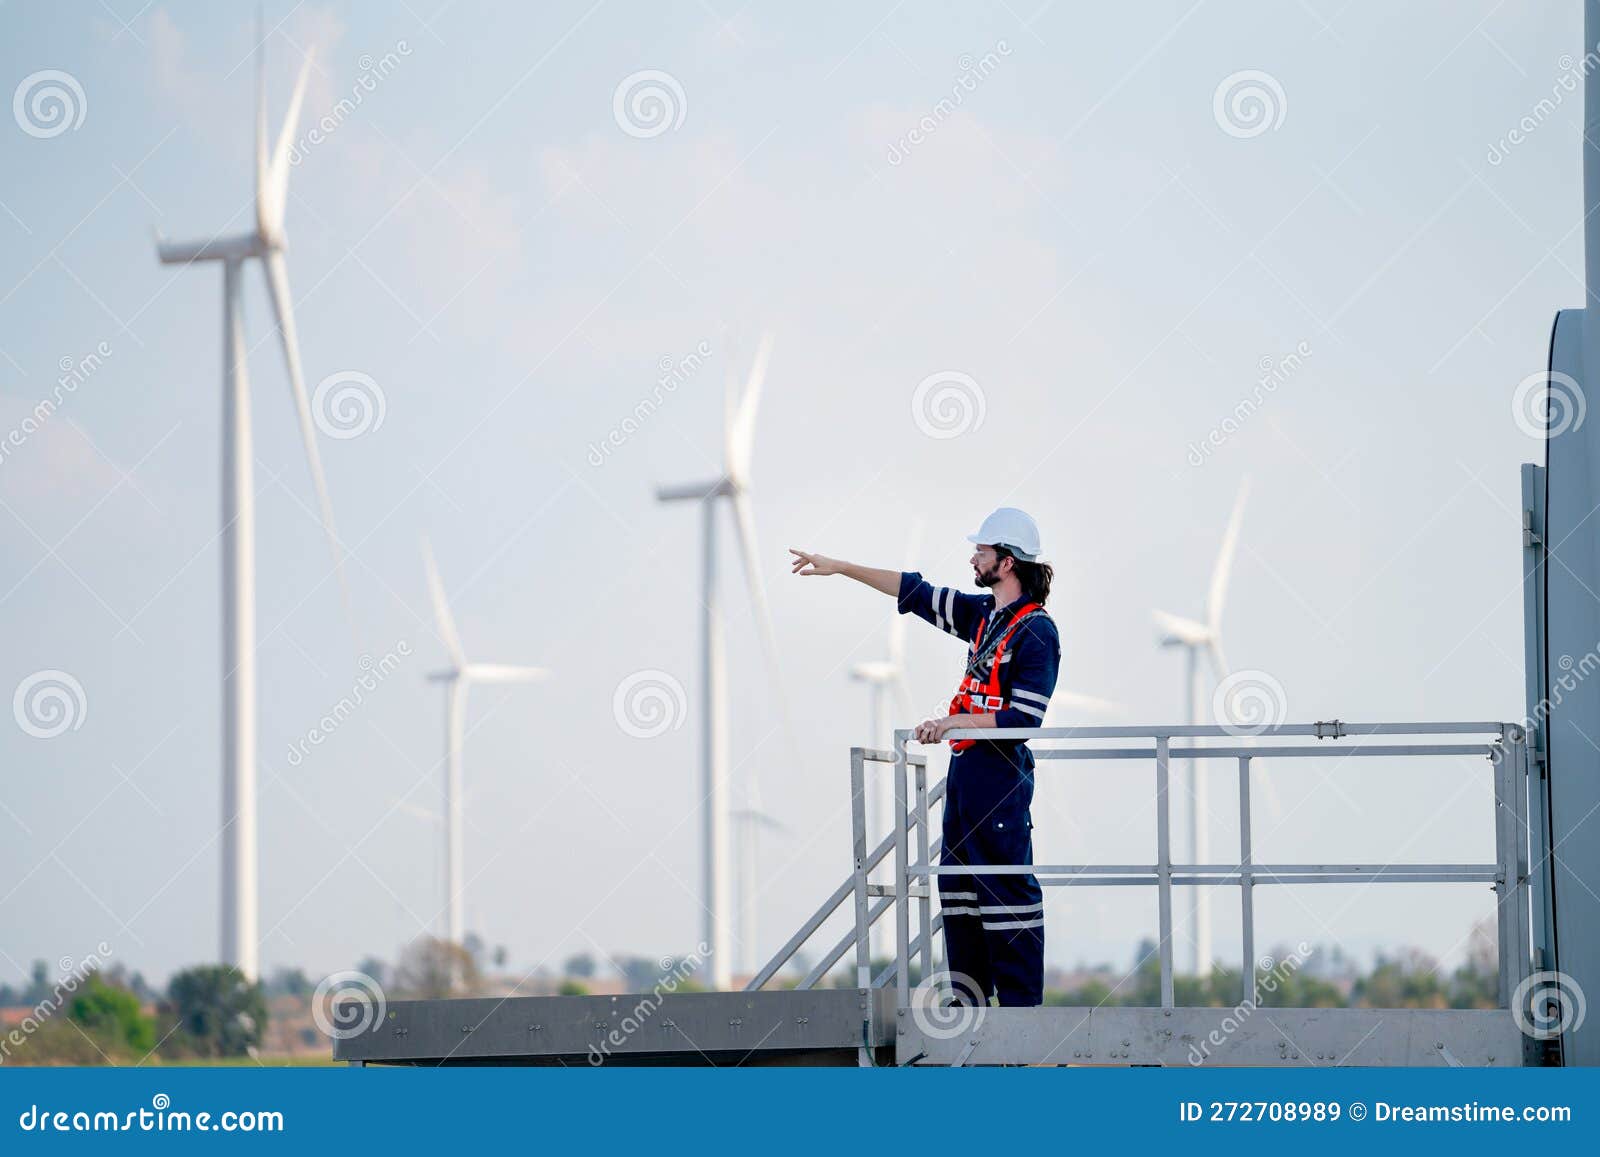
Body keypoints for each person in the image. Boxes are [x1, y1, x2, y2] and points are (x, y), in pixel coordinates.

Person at [789, 507, 1059, 1007]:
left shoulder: (1036, 632)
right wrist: (842, 567)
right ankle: (968, 1007)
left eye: (981, 550)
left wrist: (951, 721)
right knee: (958, 888)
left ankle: (1023, 1019)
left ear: (1007, 561)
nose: (972, 558)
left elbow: (1025, 718)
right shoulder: (986, 618)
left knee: (1005, 891)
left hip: (998, 778)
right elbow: (916, 592)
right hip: (966, 773)